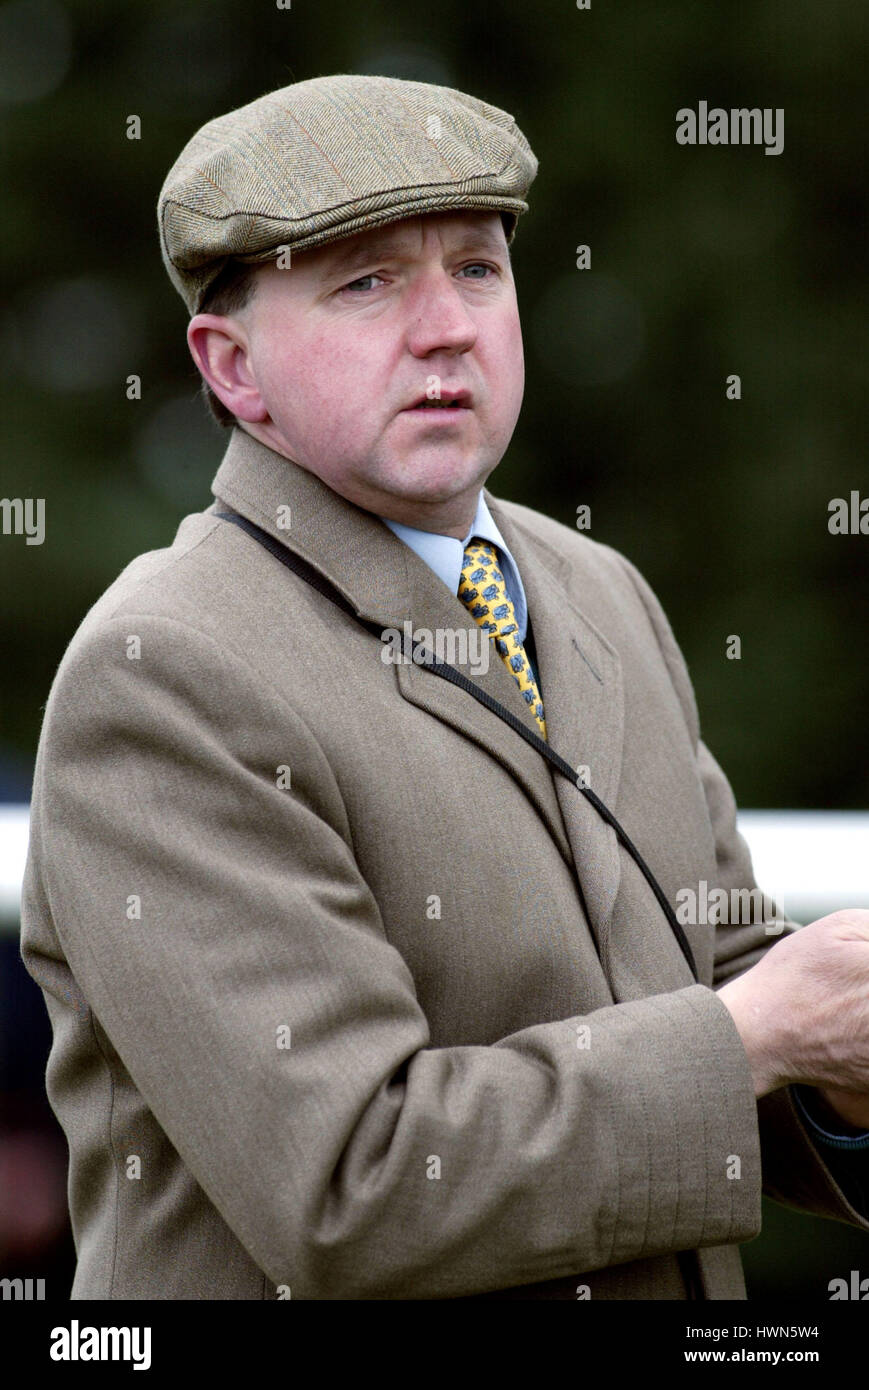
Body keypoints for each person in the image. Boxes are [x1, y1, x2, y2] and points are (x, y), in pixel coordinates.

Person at [19, 73, 869, 1301]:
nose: (445, 327)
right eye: (365, 282)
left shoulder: (594, 589)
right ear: (232, 365)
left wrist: (837, 1065)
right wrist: (760, 1033)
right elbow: (352, 1185)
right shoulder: (162, 671)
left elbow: (725, 986)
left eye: (476, 268)